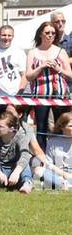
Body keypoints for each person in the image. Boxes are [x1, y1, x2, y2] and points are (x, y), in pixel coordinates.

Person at [23, 21, 71, 154]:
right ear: (40, 34)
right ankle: (42, 157)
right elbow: (28, 76)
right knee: (42, 128)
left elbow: (70, 75)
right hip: (40, 94)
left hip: (60, 94)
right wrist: (41, 66)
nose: (50, 36)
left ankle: (62, 155)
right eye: (47, 33)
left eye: (53, 33)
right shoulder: (33, 52)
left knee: (61, 126)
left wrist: (59, 69)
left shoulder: (61, 52)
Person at [42, 107, 72, 190]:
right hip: (58, 174)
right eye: (71, 126)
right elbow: (49, 164)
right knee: (39, 171)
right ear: (62, 127)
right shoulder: (52, 141)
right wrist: (64, 174)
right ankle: (61, 184)